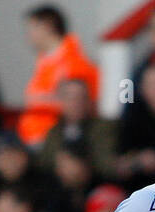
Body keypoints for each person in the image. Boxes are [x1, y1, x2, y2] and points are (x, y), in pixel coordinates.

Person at [18, 6, 100, 148]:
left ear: (48, 26)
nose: (28, 36)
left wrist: (40, 100)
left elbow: (77, 105)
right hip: (33, 137)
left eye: (32, 29)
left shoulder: (74, 63)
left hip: (55, 141)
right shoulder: (46, 62)